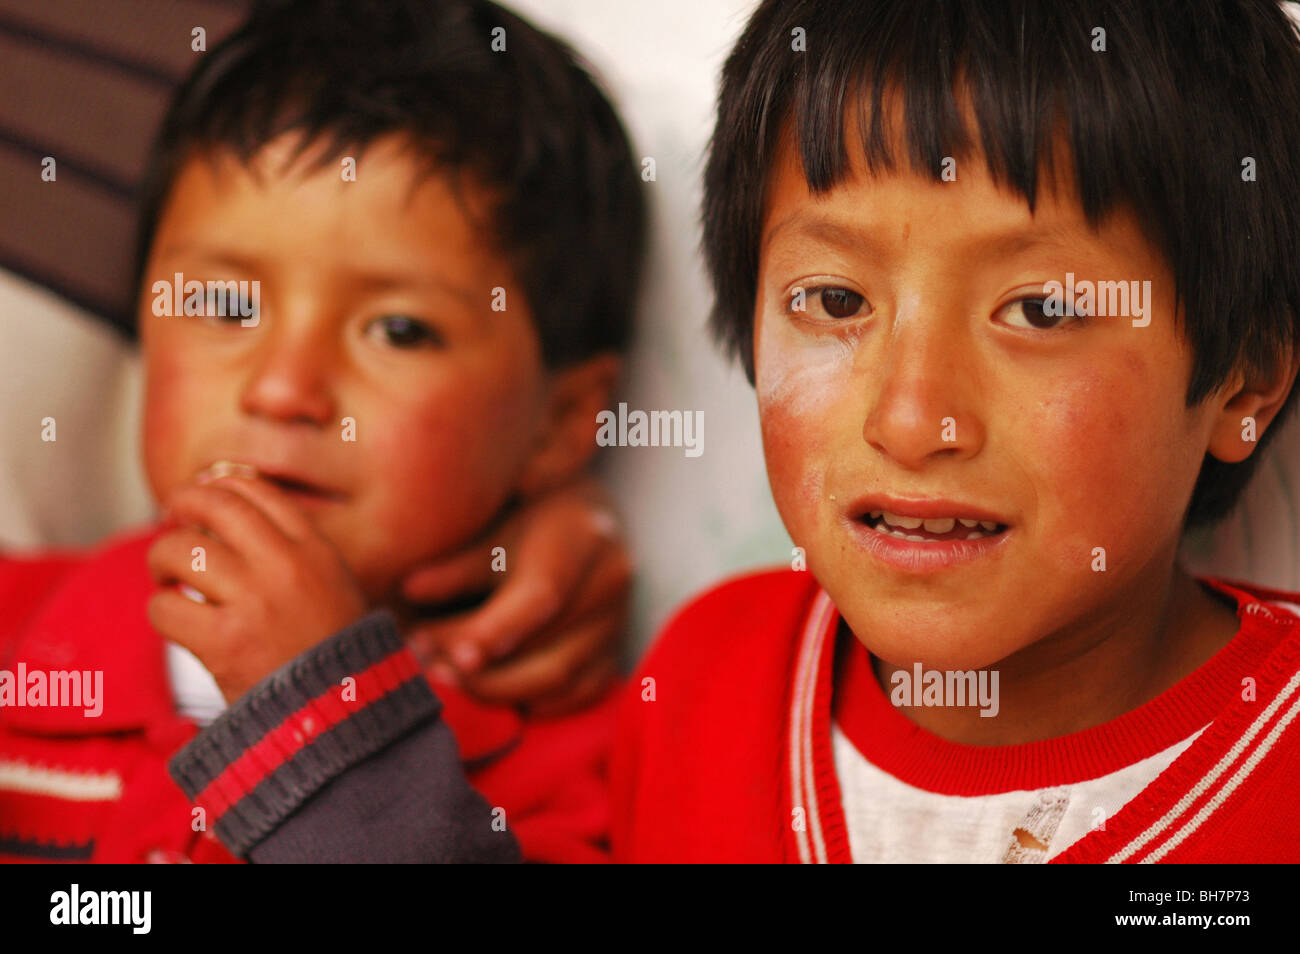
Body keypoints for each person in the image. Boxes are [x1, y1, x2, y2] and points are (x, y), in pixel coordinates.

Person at [611, 0, 1300, 862]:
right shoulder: (702, 684)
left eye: (1041, 311)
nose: (910, 420)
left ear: (1246, 378)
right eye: (835, 301)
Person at [0, 0, 643, 863]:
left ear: (561, 423)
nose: (283, 388)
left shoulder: (591, 767)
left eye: (400, 330)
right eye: (224, 305)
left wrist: (321, 732)